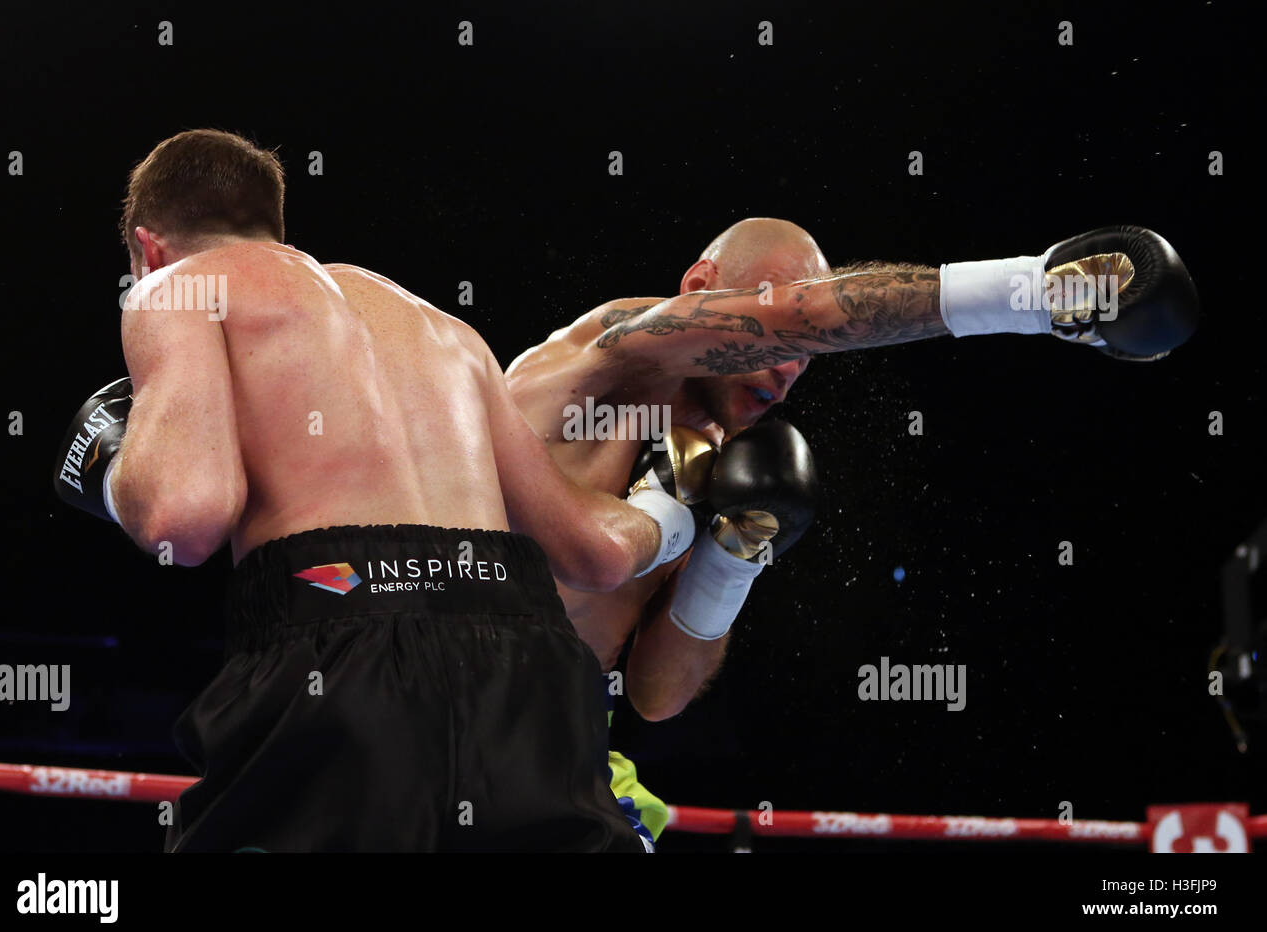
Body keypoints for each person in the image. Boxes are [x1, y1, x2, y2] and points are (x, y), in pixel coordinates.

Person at [53, 129, 696, 852]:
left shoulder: (176, 287)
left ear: (149, 248)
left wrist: (113, 472)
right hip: (528, 659)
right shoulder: (441, 326)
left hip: (340, 622)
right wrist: (669, 513)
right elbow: (598, 553)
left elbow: (184, 517)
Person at [506, 217, 1200, 844]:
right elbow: (811, 316)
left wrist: (730, 562)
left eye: (806, 354)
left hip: (567, 743)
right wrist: (1030, 292)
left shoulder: (718, 463)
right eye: (782, 325)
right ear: (700, 288)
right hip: (443, 689)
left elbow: (657, 695)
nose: (790, 363)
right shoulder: (615, 348)